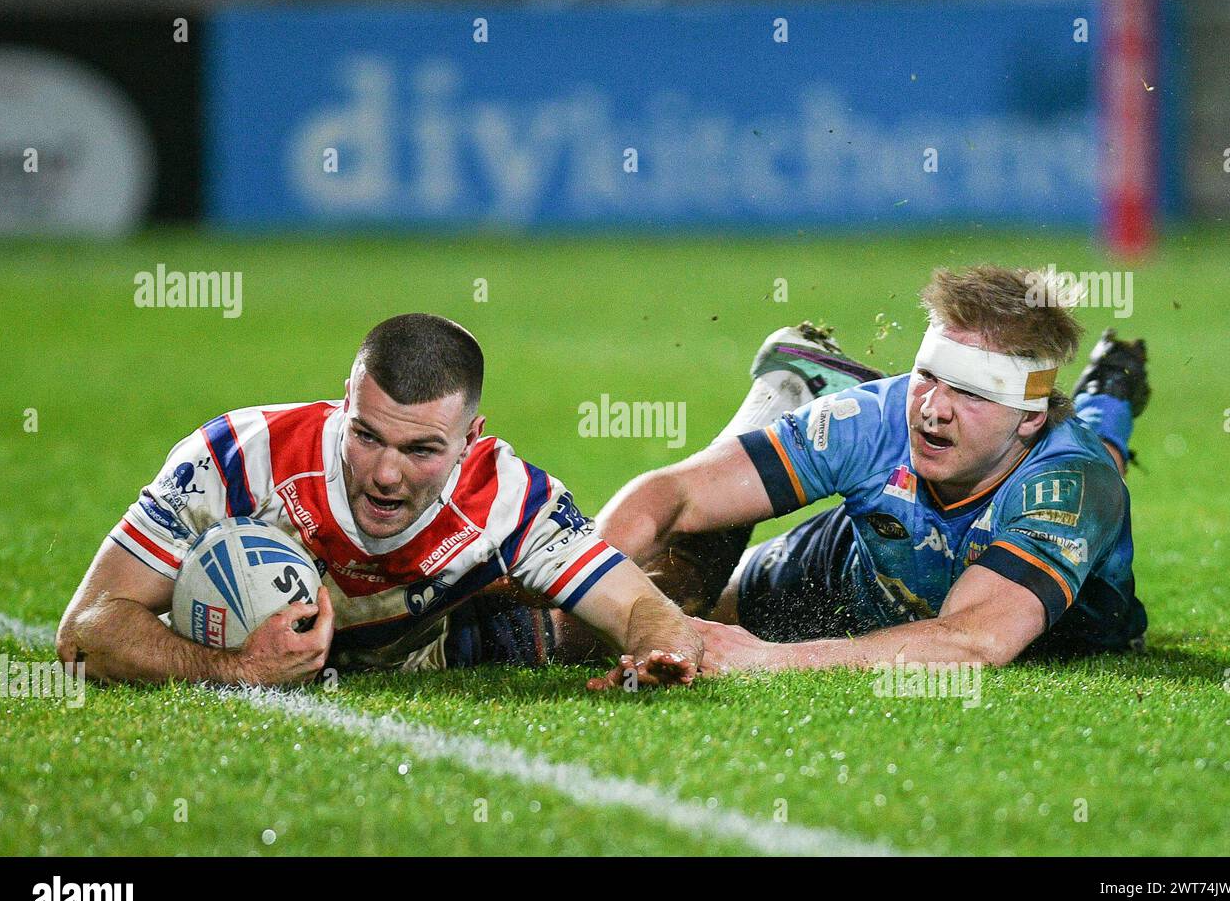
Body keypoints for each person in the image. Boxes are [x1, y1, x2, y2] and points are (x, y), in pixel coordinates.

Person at [56, 314, 704, 688]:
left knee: (686, 595)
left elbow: (645, 609)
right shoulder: (235, 460)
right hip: (353, 639)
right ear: (345, 402)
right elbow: (84, 634)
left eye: (420, 450)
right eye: (366, 436)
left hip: (459, 639)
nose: (386, 474)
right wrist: (238, 669)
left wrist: (655, 650)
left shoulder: (505, 498)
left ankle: (767, 421)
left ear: (468, 440)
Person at [586, 265, 1150, 683]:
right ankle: (801, 388)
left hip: (1053, 583)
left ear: (1027, 414)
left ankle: (1106, 397)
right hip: (848, 566)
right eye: (927, 376)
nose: (932, 408)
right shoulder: (876, 416)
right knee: (686, 608)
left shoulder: (1071, 484)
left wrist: (765, 660)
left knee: (1098, 463)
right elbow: (676, 493)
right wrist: (582, 573)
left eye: (970, 393)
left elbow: (972, 640)